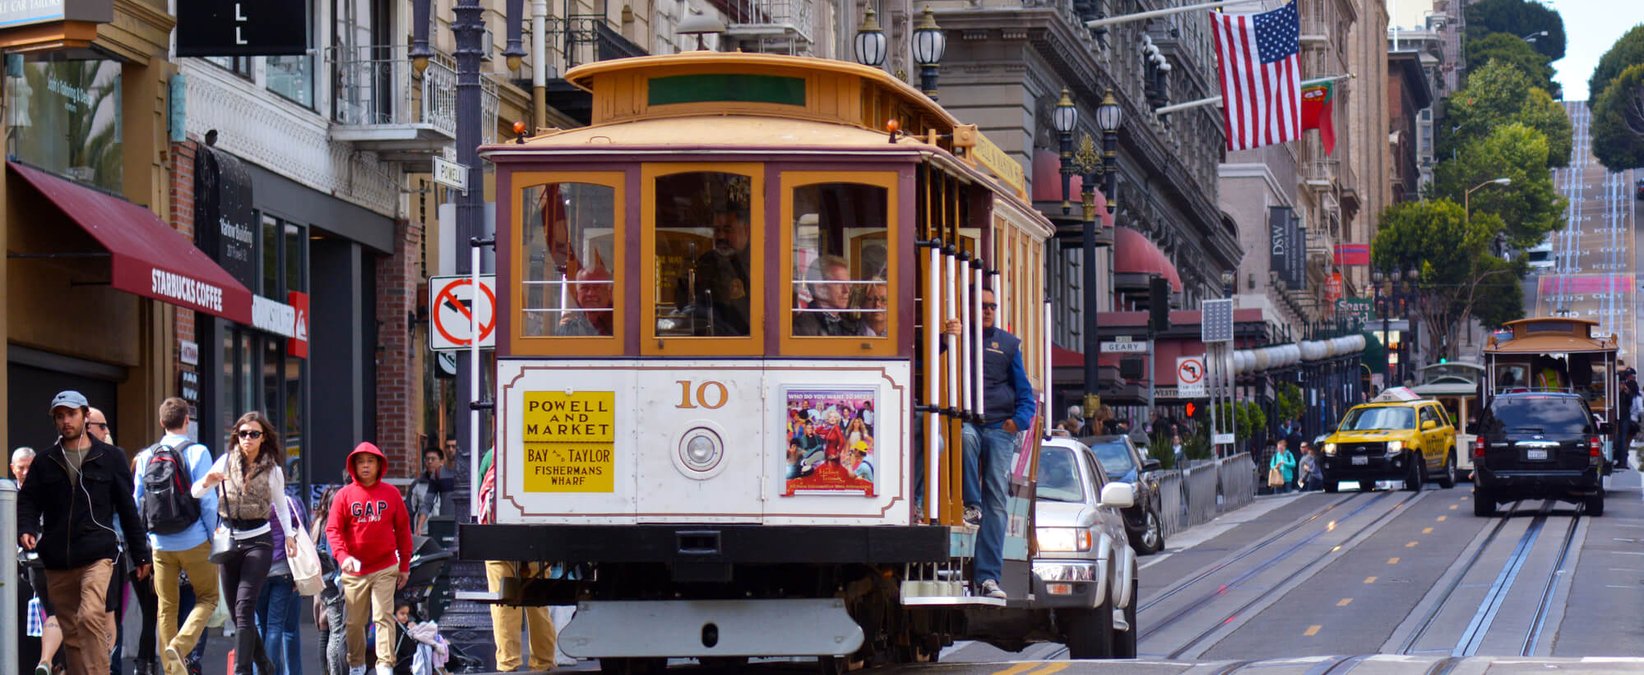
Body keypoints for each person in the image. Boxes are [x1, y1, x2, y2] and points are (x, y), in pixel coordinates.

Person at [16, 391, 151, 675]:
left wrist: (141, 554)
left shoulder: (111, 458)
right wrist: (26, 528)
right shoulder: (45, 461)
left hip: (98, 554)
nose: (66, 421)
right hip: (57, 560)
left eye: (71, 414)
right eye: (60, 416)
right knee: (72, 634)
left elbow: (128, 508)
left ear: (85, 415)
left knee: (91, 615)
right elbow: (28, 500)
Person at [943, 288, 1036, 600]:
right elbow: (929, 361)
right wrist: (946, 339)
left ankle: (988, 578)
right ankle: (971, 504)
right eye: (981, 306)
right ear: (969, 307)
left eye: (992, 306)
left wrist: (1017, 422)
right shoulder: (956, 335)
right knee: (966, 437)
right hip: (968, 420)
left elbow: (1025, 392)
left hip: (999, 426)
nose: (987, 311)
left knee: (997, 498)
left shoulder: (1008, 344)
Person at [190, 412, 295, 675]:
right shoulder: (225, 461)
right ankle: (266, 665)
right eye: (243, 433)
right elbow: (195, 492)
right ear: (236, 436)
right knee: (239, 616)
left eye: (254, 434)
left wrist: (290, 536)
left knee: (244, 606)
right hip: (228, 542)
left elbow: (281, 506)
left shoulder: (273, 470)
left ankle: (241, 670)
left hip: (259, 542)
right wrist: (207, 481)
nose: (248, 438)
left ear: (263, 438)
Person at [131, 398, 220, 675]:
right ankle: (180, 646)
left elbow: (137, 502)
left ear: (161, 423)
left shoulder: (146, 455)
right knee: (208, 597)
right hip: (193, 540)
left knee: (166, 608)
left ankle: (171, 669)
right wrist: (211, 539)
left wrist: (146, 540)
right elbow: (208, 502)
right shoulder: (198, 452)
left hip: (159, 543)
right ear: (186, 421)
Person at [325, 442, 413, 675]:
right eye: (361, 461)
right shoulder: (344, 496)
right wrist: (343, 557)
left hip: (385, 566)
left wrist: (404, 565)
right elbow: (333, 530)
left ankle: (385, 665)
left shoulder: (392, 494)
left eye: (370, 461)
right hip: (353, 570)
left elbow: (404, 530)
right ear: (353, 466)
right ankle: (357, 664)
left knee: (383, 616)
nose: (365, 466)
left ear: (379, 465)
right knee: (354, 623)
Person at [476, 447, 561, 672]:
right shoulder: (538, 450)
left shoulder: (490, 456)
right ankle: (543, 662)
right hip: (533, 538)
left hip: (496, 540)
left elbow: (479, 496)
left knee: (503, 606)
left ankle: (508, 663)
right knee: (538, 605)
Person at [14, 446, 66, 675]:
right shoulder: (6, 494)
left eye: (30, 467)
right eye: (21, 468)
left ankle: (52, 664)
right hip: (14, 576)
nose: (26, 472)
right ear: (12, 469)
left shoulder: (49, 494)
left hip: (43, 570)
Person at [256, 495, 306, 675]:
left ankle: (264, 671)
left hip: (257, 571)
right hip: (285, 570)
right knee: (281, 628)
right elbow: (302, 532)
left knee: (261, 627)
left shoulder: (252, 503)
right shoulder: (291, 502)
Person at [689, 210, 752, 336]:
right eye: (717, 231)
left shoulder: (760, 263)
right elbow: (687, 301)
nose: (721, 237)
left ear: (746, 230)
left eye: (728, 230)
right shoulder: (705, 262)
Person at [311, 484, 348, 675]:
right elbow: (336, 556)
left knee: (328, 629)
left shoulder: (319, 522)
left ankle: (329, 671)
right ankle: (335, 672)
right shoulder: (333, 525)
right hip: (335, 582)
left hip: (323, 581)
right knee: (337, 632)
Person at [795, 255, 860, 336]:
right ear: (820, 288)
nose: (846, 290)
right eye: (838, 284)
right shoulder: (803, 327)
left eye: (848, 284)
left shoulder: (847, 324)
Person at [409, 447, 454, 536]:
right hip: (428, 529)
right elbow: (415, 508)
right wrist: (418, 527)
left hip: (446, 524)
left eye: (433, 459)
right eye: (427, 459)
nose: (429, 462)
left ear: (441, 461)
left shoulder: (464, 474)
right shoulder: (418, 484)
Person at [557, 267, 614, 336]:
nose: (591, 293)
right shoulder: (570, 329)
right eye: (584, 288)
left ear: (610, 292)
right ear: (577, 294)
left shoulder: (621, 325)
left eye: (597, 287)